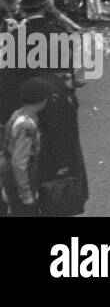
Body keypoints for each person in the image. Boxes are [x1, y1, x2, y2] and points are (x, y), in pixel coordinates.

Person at [0, 79, 50, 216]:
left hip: (7, 166)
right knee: (24, 211)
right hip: (21, 173)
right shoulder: (27, 126)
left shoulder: (18, 113)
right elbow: (19, 162)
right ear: (43, 101)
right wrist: (26, 194)